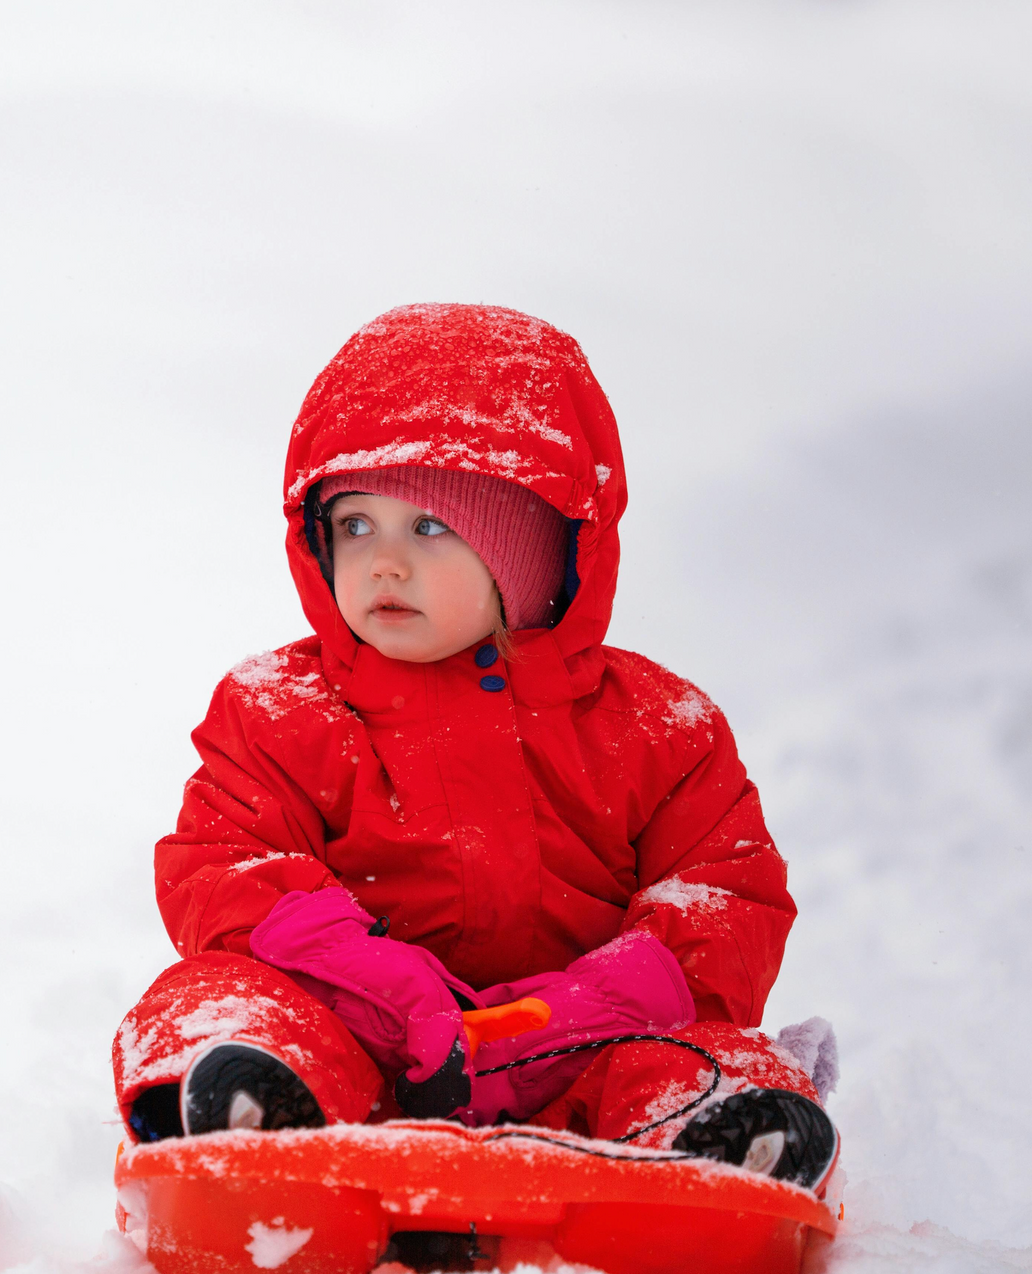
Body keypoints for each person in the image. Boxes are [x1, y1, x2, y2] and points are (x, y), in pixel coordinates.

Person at [112, 304, 839, 1194]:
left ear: (538, 551)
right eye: (354, 525)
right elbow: (227, 868)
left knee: (704, 1050)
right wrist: (378, 984)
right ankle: (252, 1112)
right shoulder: (279, 710)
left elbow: (725, 896)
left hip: (591, 1049)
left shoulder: (660, 726)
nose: (383, 563)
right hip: (364, 1041)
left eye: (429, 527)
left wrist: (584, 1006)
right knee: (212, 999)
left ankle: (714, 1139)